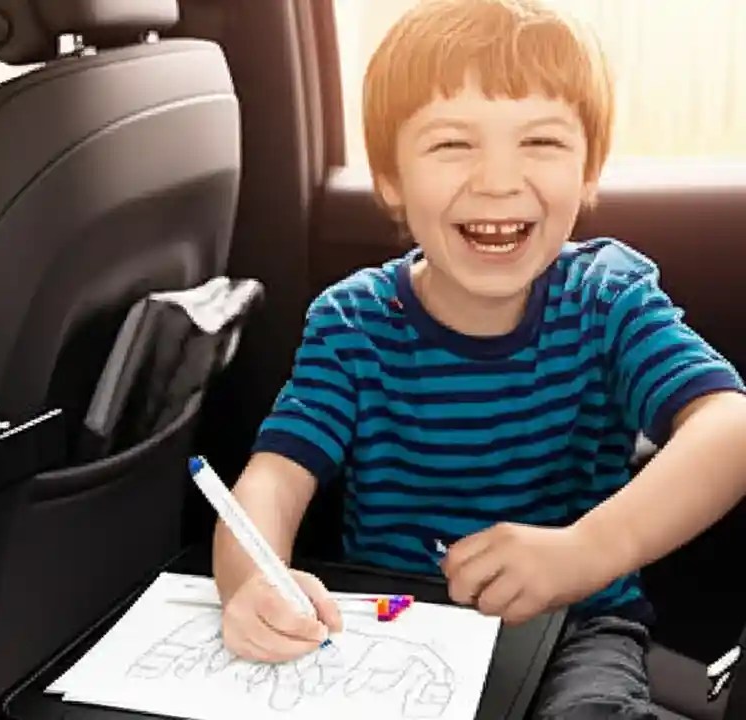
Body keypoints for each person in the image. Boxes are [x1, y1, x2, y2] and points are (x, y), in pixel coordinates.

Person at [211, 0, 746, 716]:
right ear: (393, 181)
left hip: (575, 628)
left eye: (542, 143)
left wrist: (585, 552)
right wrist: (255, 582)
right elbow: (272, 483)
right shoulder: (354, 322)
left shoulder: (607, 296)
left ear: (589, 172)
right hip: (392, 623)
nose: (498, 179)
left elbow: (729, 429)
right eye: (453, 144)